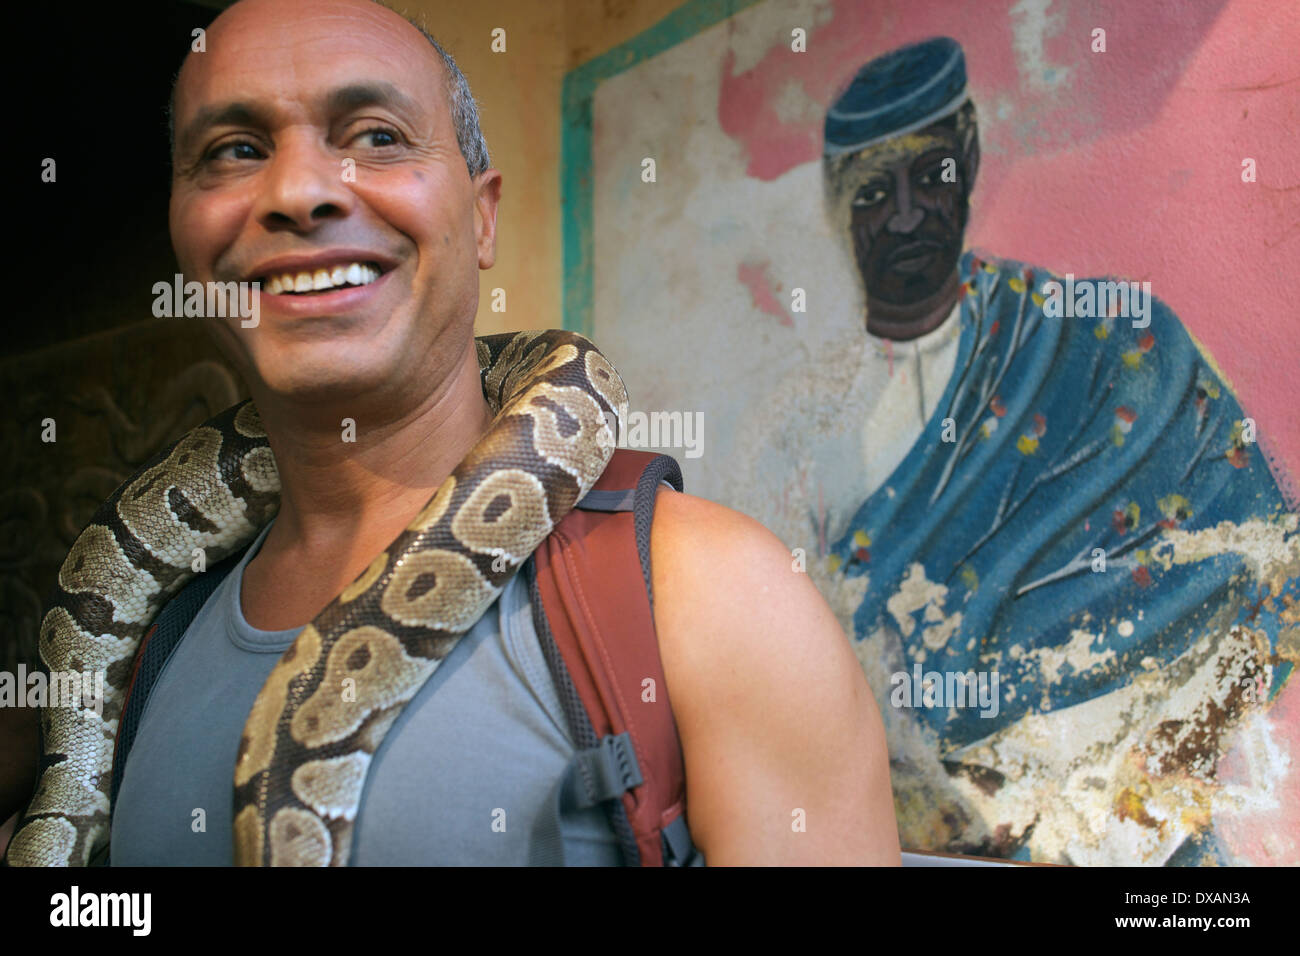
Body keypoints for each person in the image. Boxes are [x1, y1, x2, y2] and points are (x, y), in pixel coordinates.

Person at [1, 0, 900, 866]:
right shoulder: (159, 641)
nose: (302, 191)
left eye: (377, 136)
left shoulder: (717, 595)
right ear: (180, 232)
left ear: (483, 217)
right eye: (234, 151)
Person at [749, 37, 1297, 864]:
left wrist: (1157, 769)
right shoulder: (800, 431)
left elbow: (1277, 567)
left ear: (967, 158)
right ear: (837, 205)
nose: (902, 215)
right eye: (871, 191)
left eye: (928, 176)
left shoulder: (1111, 343)